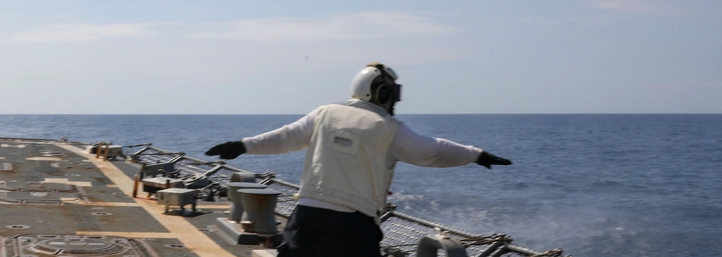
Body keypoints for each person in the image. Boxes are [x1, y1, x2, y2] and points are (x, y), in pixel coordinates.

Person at [205, 62, 511, 257]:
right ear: (380, 92)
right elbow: (431, 151)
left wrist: (242, 145)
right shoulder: (390, 129)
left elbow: (284, 137)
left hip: (309, 216)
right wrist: (476, 155)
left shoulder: (325, 114)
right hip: (355, 224)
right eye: (392, 92)